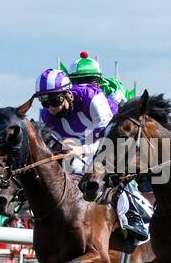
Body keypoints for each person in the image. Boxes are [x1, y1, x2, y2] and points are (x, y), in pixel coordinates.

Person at [35, 67, 150, 243]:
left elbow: (109, 142)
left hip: (113, 137)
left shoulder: (92, 98)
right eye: (44, 101)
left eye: (54, 100)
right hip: (83, 142)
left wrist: (81, 150)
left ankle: (133, 214)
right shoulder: (46, 116)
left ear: (68, 94)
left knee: (107, 168)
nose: (50, 107)